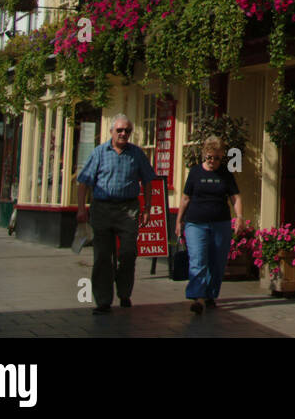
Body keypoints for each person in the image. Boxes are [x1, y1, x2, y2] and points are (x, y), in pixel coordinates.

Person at [76, 114, 157, 314]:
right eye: (119, 130)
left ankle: (124, 292)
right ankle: (103, 300)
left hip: (128, 209)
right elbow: (84, 182)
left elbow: (148, 181)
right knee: (103, 256)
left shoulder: (136, 154)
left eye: (127, 130)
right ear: (111, 131)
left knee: (128, 253)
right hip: (102, 208)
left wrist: (147, 208)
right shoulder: (99, 153)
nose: (123, 134)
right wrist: (80, 209)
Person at [175, 135, 242, 314]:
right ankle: (197, 297)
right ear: (204, 154)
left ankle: (211, 294)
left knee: (217, 261)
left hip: (220, 223)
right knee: (198, 259)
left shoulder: (226, 174)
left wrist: (240, 217)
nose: (213, 161)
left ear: (222, 156)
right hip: (196, 223)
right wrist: (179, 220)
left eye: (217, 158)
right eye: (210, 157)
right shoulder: (195, 172)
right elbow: (185, 197)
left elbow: (235, 197)